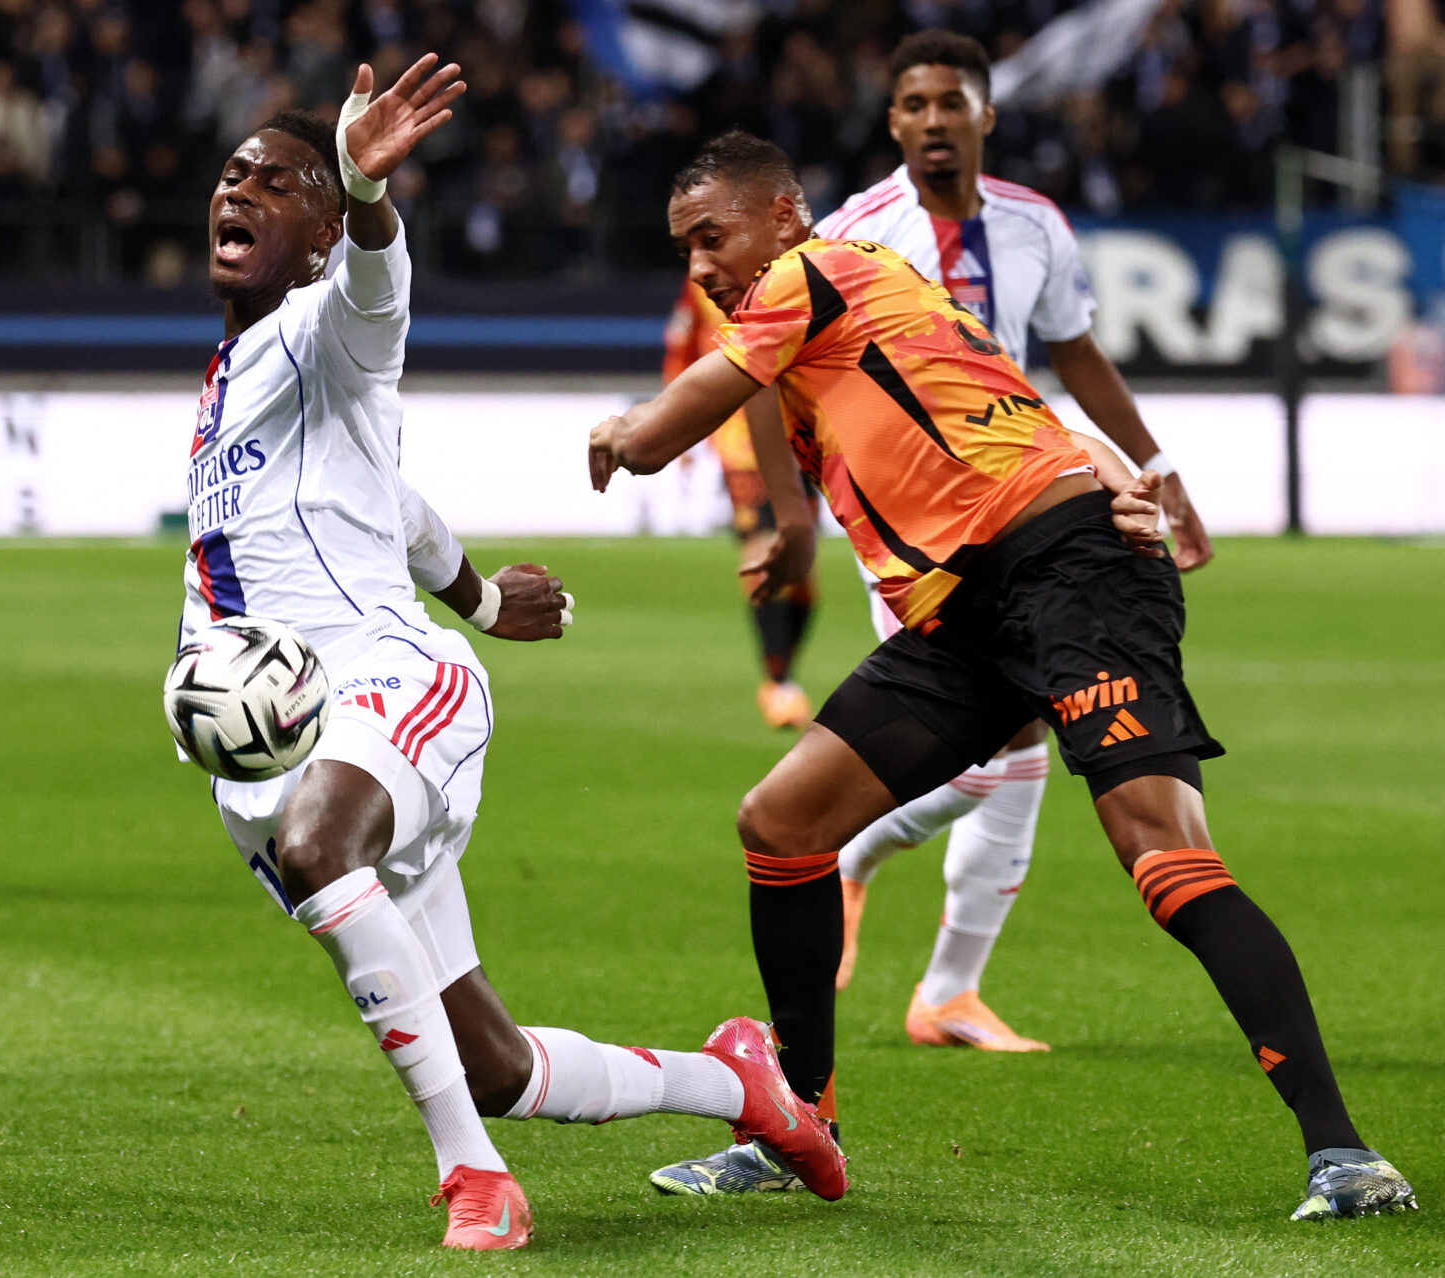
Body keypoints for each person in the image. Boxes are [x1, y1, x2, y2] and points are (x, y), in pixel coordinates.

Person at [590, 130, 1413, 1221]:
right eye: (682, 247)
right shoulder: (846, 306)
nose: (699, 266)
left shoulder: (813, 272)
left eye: (711, 237)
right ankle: (798, 1122)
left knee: (1161, 854)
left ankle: (1345, 1158)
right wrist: (793, 532)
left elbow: (658, 438)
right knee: (783, 822)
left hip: (1069, 574)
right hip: (969, 611)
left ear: (783, 216)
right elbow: (989, 405)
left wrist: (621, 430)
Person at [184, 60, 843, 1253]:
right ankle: (743, 1085)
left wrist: (368, 191)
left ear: (322, 235)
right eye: (233, 176)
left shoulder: (325, 324)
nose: (240, 190)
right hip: (290, 746)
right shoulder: (233, 383)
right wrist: (486, 595)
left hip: (389, 691)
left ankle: (475, 1182)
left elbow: (381, 293)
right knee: (488, 1062)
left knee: (321, 848)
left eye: (277, 183)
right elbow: (397, 502)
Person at [812, 30, 1216, 1063]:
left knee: (1015, 748)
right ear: (893, 120)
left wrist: (1156, 467)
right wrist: (802, 506)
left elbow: (1073, 351)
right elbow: (796, 369)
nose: (934, 121)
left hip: (1035, 510)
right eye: (914, 105)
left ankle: (915, 942)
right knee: (1015, 740)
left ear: (986, 115)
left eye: (953, 102)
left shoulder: (1036, 226)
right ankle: (870, 881)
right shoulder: (858, 232)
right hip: (916, 522)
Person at [664, 280, 821, 730]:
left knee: (804, 578)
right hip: (740, 439)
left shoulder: (798, 275)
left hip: (803, 434)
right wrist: (677, 424)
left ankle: (781, 675)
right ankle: (781, 683)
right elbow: (681, 349)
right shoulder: (701, 287)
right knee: (761, 550)